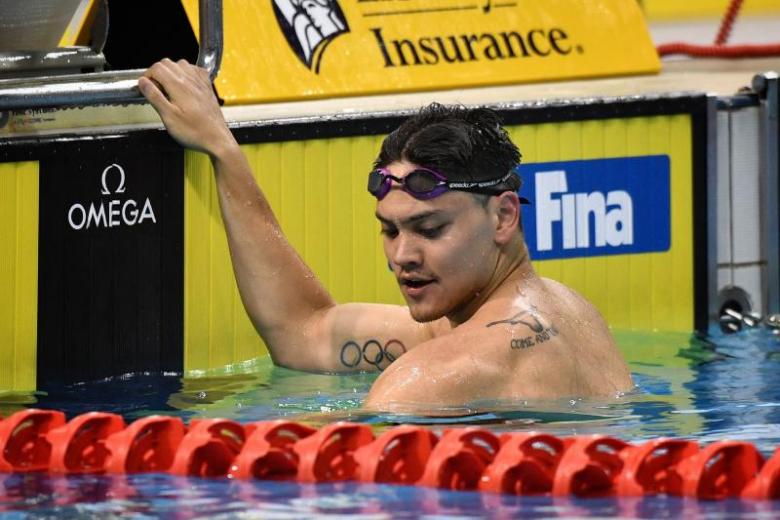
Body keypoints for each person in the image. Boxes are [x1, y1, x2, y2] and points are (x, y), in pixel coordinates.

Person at [138, 59, 633, 413]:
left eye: (430, 229)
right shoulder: (569, 311)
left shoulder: (438, 376)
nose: (402, 256)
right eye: (389, 230)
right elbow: (304, 330)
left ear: (504, 217)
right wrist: (223, 149)